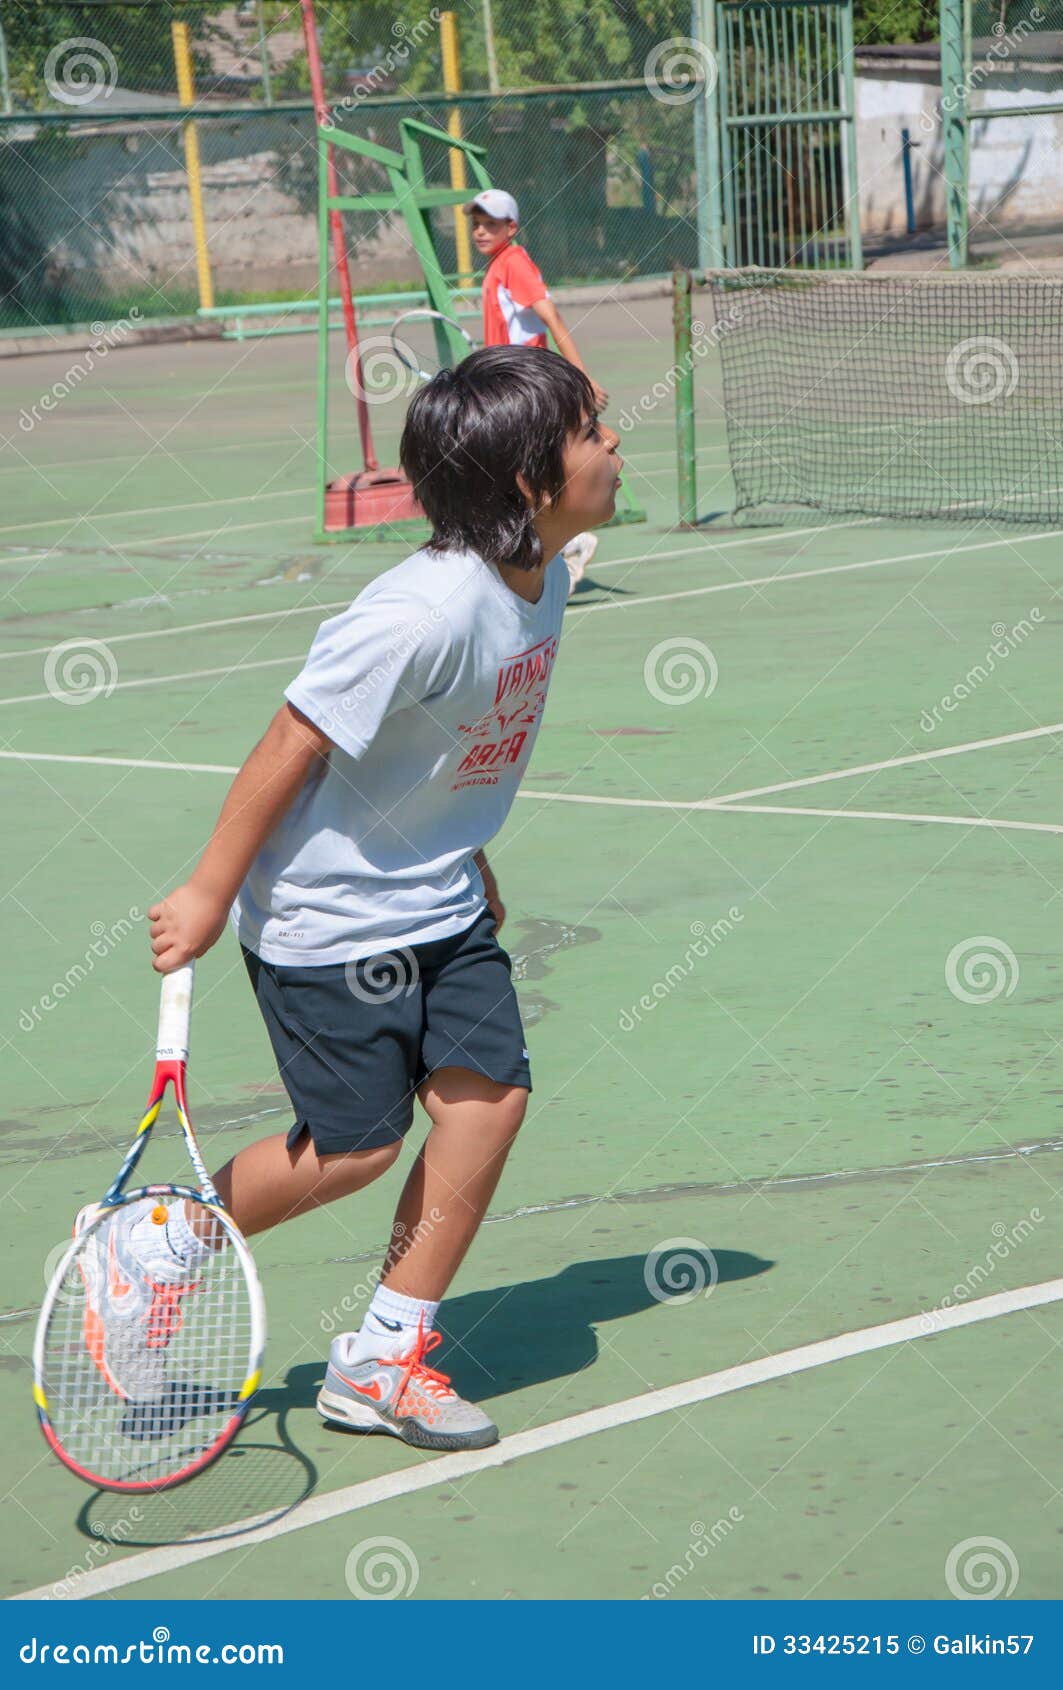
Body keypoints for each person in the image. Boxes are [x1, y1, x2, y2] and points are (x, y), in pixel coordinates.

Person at [79, 347, 622, 1454]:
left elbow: (452, 744)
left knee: (487, 1100)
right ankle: (155, 1244)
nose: (616, 445)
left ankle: (382, 1358)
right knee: (356, 1147)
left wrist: (465, 847)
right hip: (329, 920)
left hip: (441, 898)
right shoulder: (418, 611)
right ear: (529, 479)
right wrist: (206, 889)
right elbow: (295, 736)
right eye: (593, 432)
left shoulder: (548, 577)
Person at [466, 187, 607, 594]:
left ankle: (567, 543)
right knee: (516, 473)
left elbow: (553, 319)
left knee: (509, 473)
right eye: (476, 224)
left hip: (524, 387)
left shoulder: (513, 264)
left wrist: (580, 379)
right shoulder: (499, 265)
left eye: (490, 224)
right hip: (509, 382)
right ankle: (563, 544)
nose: (480, 232)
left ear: (511, 227)